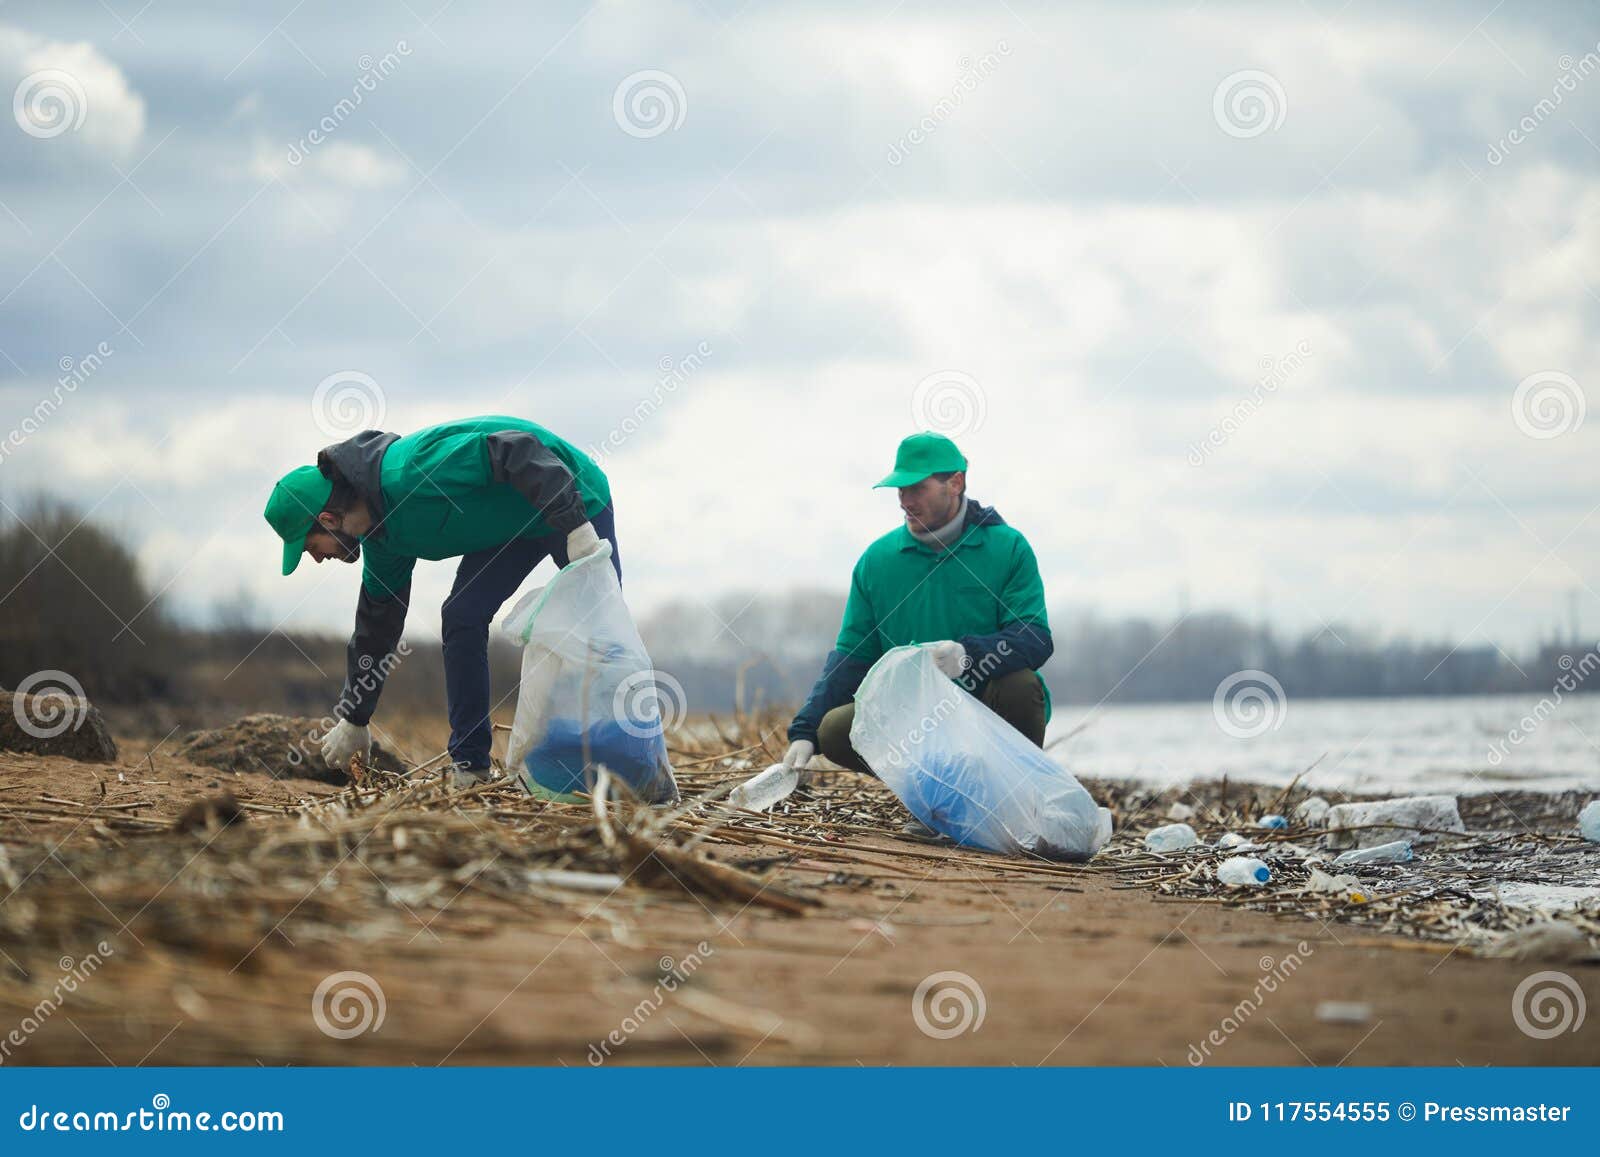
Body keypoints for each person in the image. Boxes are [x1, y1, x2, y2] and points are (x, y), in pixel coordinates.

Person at [263, 415, 616, 785]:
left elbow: (517, 448)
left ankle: (626, 764)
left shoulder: (413, 473)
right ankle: (471, 767)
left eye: (309, 547)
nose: (317, 558)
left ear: (328, 519)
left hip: (571, 495)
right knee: (462, 615)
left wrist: (575, 526)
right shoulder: (383, 540)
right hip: (512, 527)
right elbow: (376, 628)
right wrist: (355, 716)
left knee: (601, 629)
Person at [782, 431, 1054, 787]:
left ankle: (1009, 792)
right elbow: (852, 658)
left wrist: (970, 655)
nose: (905, 500)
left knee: (1022, 685)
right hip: (914, 722)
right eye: (900, 489)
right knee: (834, 728)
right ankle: (929, 792)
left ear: (954, 483)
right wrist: (805, 731)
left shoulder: (1008, 547)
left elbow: (1034, 638)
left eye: (917, 488)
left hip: (987, 710)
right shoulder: (877, 562)